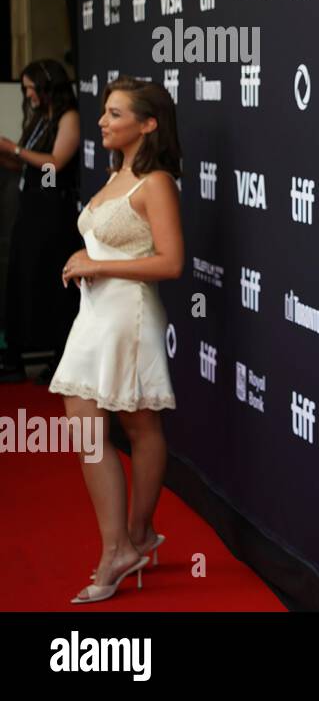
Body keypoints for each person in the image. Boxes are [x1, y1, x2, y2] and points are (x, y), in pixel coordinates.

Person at [48, 76, 184, 604]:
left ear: (147, 124)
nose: (101, 121)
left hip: (128, 314)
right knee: (85, 426)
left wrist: (95, 263)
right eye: (104, 112)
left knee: (140, 422)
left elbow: (171, 263)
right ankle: (131, 542)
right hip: (94, 314)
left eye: (115, 113)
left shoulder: (156, 182)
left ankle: (127, 542)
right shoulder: (114, 174)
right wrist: (89, 267)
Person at [0, 60, 83, 382]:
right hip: (31, 207)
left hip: (52, 213)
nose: (29, 94)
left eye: (32, 87)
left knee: (51, 284)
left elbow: (54, 165)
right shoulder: (40, 118)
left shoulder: (68, 117)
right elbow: (31, 168)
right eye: (25, 89)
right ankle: (16, 355)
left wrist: (15, 149)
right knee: (22, 280)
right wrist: (9, 156)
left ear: (49, 87)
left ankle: (60, 356)